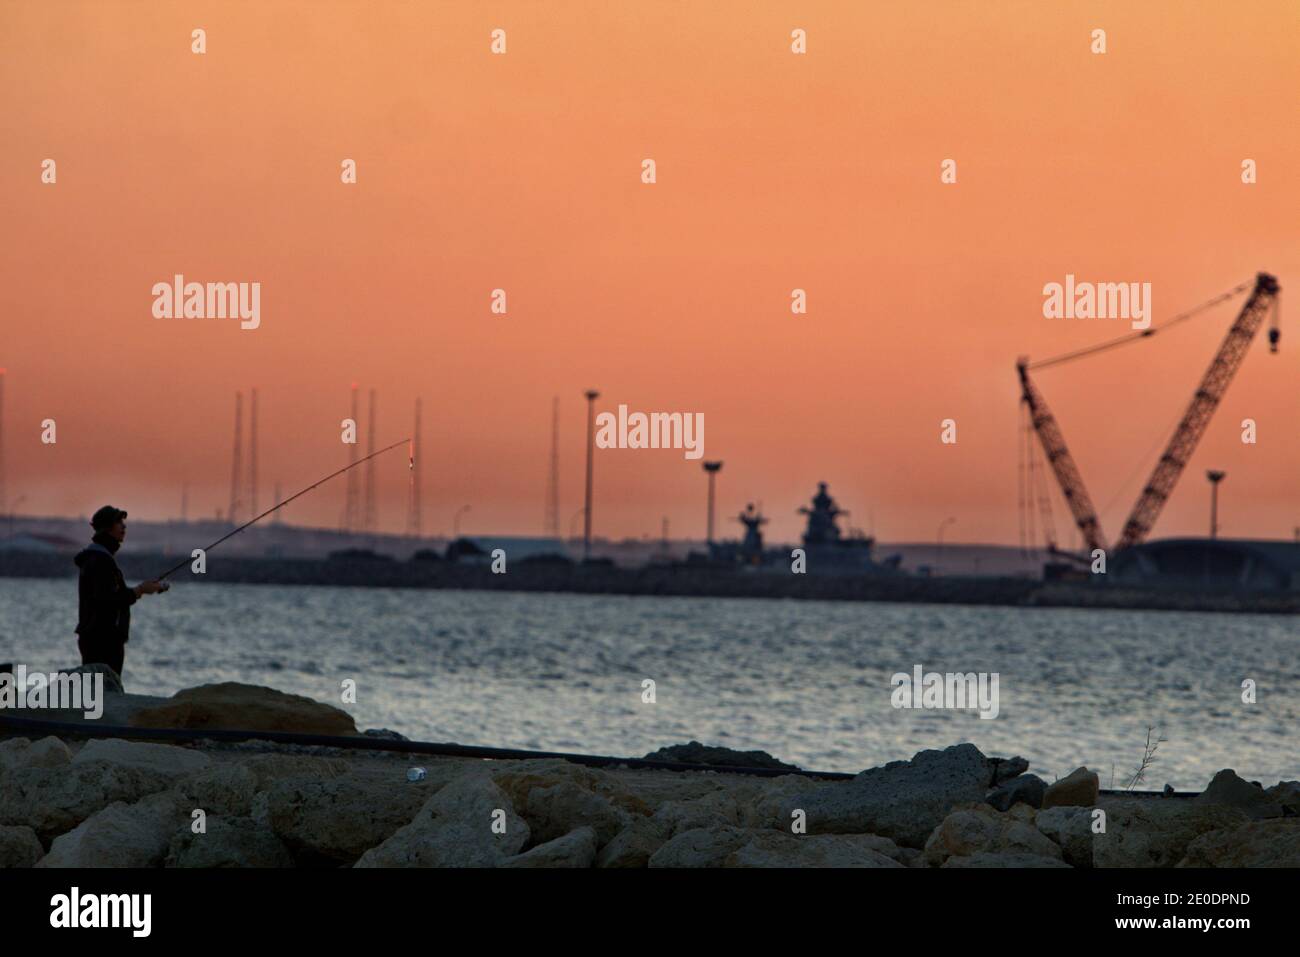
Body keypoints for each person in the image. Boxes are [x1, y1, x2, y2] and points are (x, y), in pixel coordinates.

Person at [74, 505, 167, 680]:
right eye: (119, 523)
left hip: (101, 638)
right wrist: (140, 590)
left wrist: (144, 589)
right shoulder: (100, 561)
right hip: (102, 640)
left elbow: (115, 596)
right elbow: (108, 600)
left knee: (101, 693)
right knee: (104, 694)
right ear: (107, 528)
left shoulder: (100, 559)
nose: (124, 527)